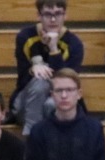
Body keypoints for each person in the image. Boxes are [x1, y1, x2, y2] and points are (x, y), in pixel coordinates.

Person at [11, 0, 81, 133]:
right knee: (40, 81)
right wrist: (33, 70)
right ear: (39, 16)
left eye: (58, 14)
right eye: (48, 14)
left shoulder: (74, 44)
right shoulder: (25, 37)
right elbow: (22, 81)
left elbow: (67, 83)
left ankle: (40, 138)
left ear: (65, 15)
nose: (53, 19)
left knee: (52, 104)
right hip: (24, 104)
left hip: (57, 102)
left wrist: (53, 49)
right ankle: (32, 134)